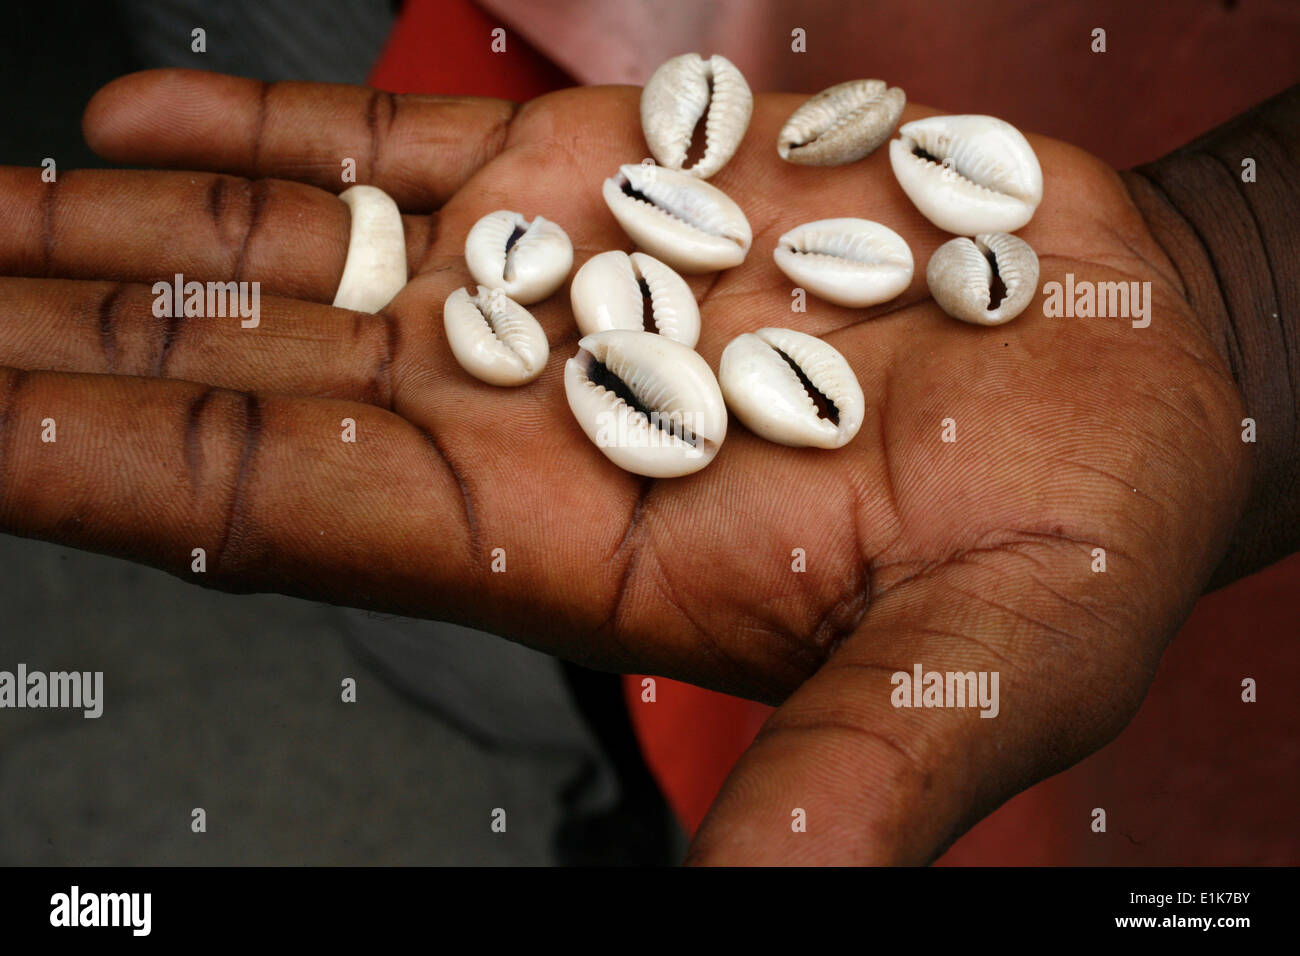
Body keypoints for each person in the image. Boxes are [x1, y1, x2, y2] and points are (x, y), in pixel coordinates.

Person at [0, 48, 1293, 863]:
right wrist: (1211, 262)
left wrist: (1227, 291)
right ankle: (606, 789)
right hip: (641, 44)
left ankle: (611, 800)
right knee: (525, 662)